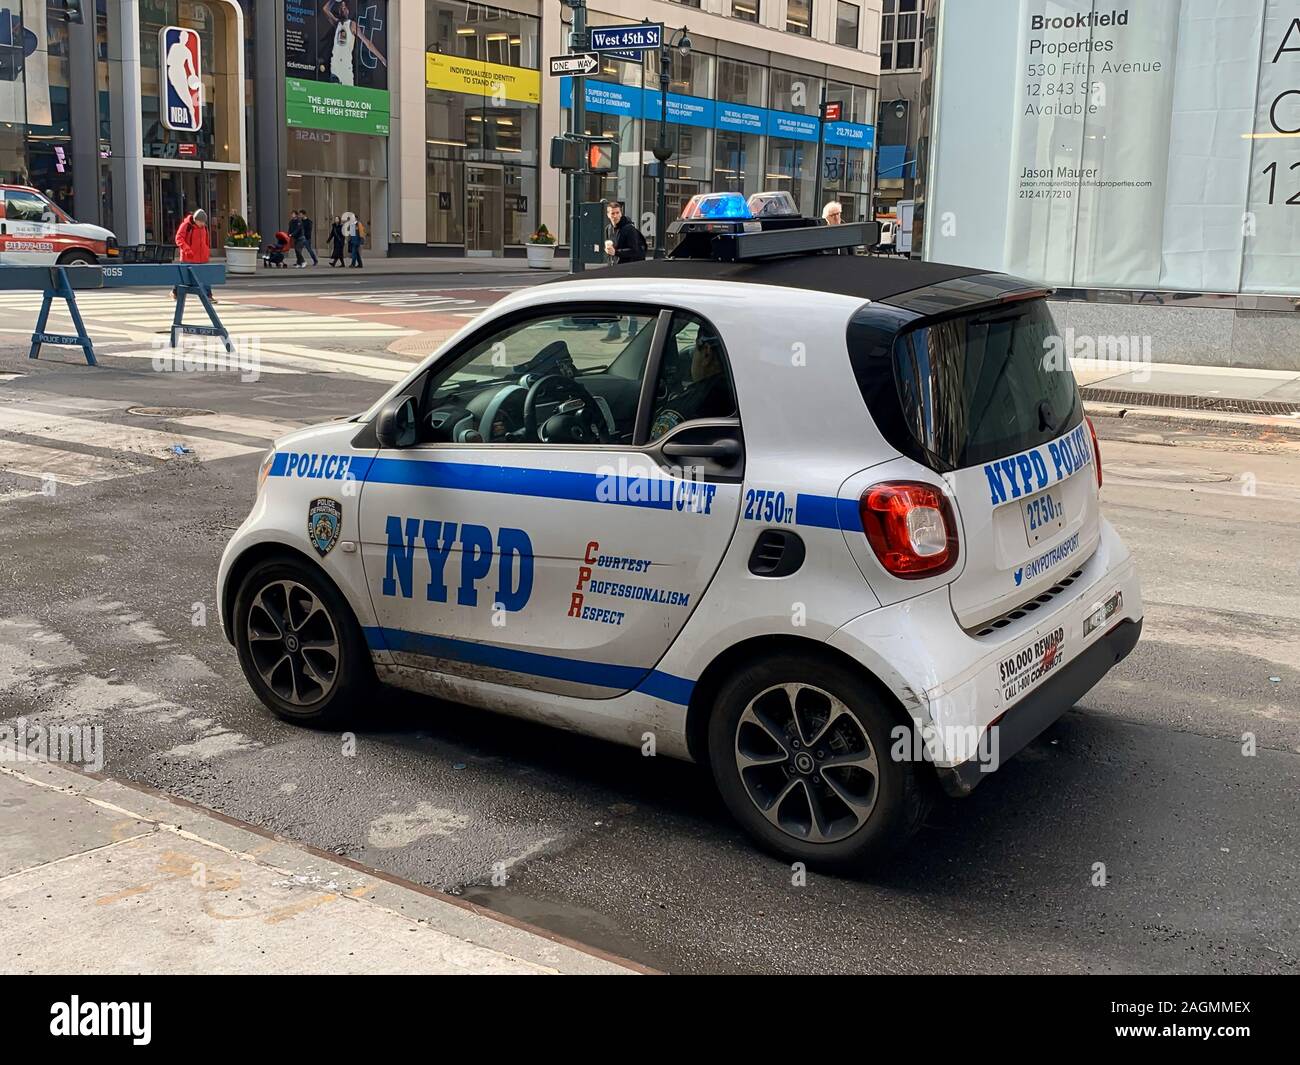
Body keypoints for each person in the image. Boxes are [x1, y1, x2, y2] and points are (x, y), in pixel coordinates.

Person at [649, 331, 733, 438]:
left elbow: (652, 447)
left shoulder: (681, 413)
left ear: (707, 353)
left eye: (694, 350)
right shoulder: (743, 398)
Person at [601, 201, 646, 341]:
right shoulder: (608, 229)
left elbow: (635, 251)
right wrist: (609, 252)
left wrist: (617, 252)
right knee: (610, 301)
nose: (615, 216)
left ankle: (632, 334)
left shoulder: (629, 229)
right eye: (612, 213)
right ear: (608, 214)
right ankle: (614, 331)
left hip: (629, 270)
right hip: (614, 269)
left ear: (621, 213)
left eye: (617, 213)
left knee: (628, 301)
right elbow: (611, 251)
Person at [322, 1, 387, 88]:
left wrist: (382, 58)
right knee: (336, 94)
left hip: (346, 68)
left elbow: (367, 43)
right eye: (341, 8)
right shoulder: (336, 23)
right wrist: (333, 1)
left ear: (348, 11)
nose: (343, 9)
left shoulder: (352, 25)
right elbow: (325, 9)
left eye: (344, 8)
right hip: (335, 67)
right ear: (338, 11)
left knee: (348, 97)